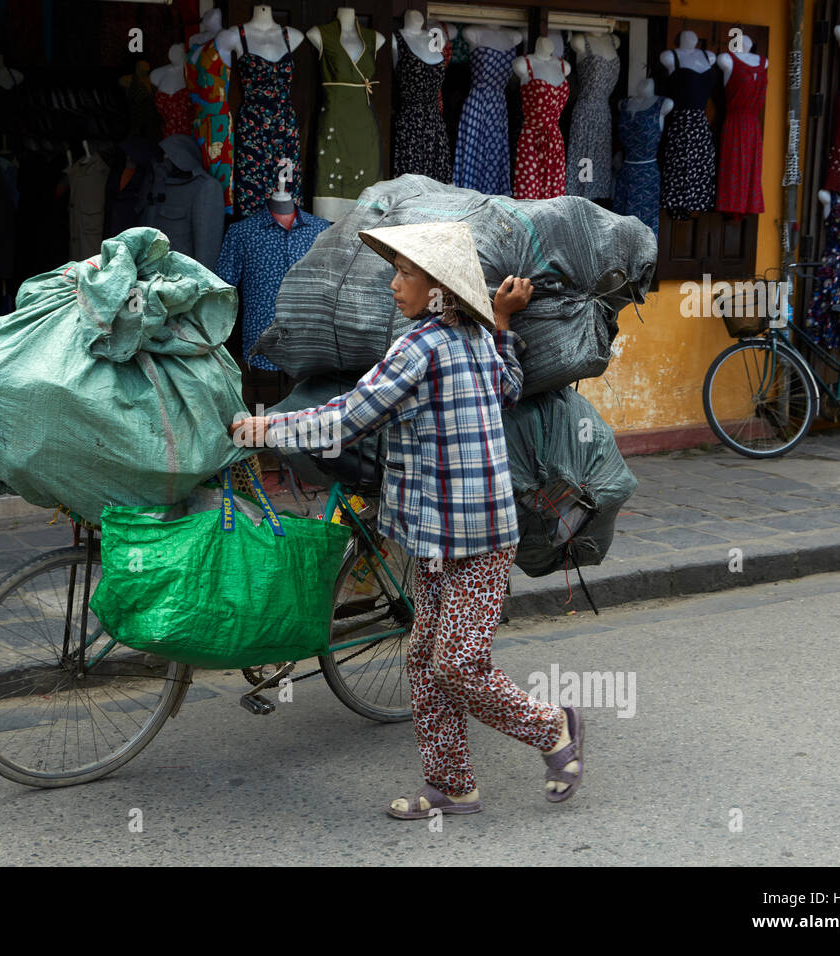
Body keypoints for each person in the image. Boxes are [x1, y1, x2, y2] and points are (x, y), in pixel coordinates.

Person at [229, 221, 584, 818]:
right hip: (432, 536)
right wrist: (501, 325)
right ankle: (451, 784)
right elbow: (509, 384)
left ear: (440, 287)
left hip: (480, 536)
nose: (394, 285)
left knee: (456, 662)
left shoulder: (418, 349)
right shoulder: (474, 336)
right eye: (395, 271)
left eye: (406, 274)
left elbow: (347, 418)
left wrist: (267, 428)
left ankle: (554, 730)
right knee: (424, 657)